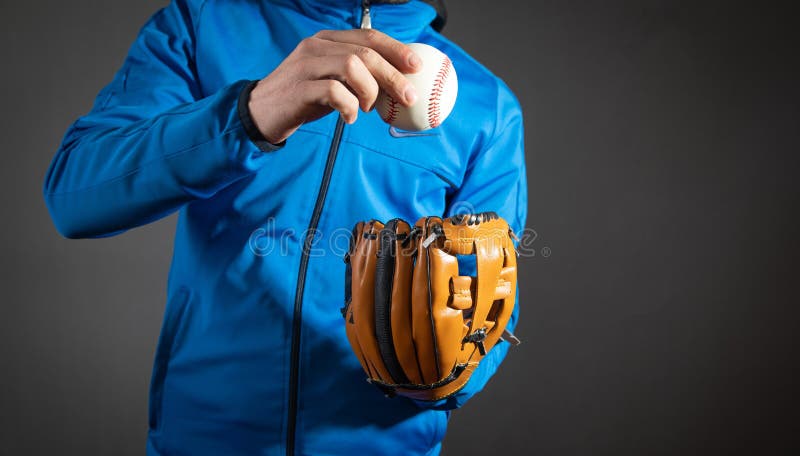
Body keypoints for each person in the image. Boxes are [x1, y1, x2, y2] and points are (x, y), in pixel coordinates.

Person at [43, 0, 527, 454]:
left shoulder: (488, 106)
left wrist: (439, 373)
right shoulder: (205, 22)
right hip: (204, 437)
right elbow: (74, 196)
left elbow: (490, 310)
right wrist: (248, 115)